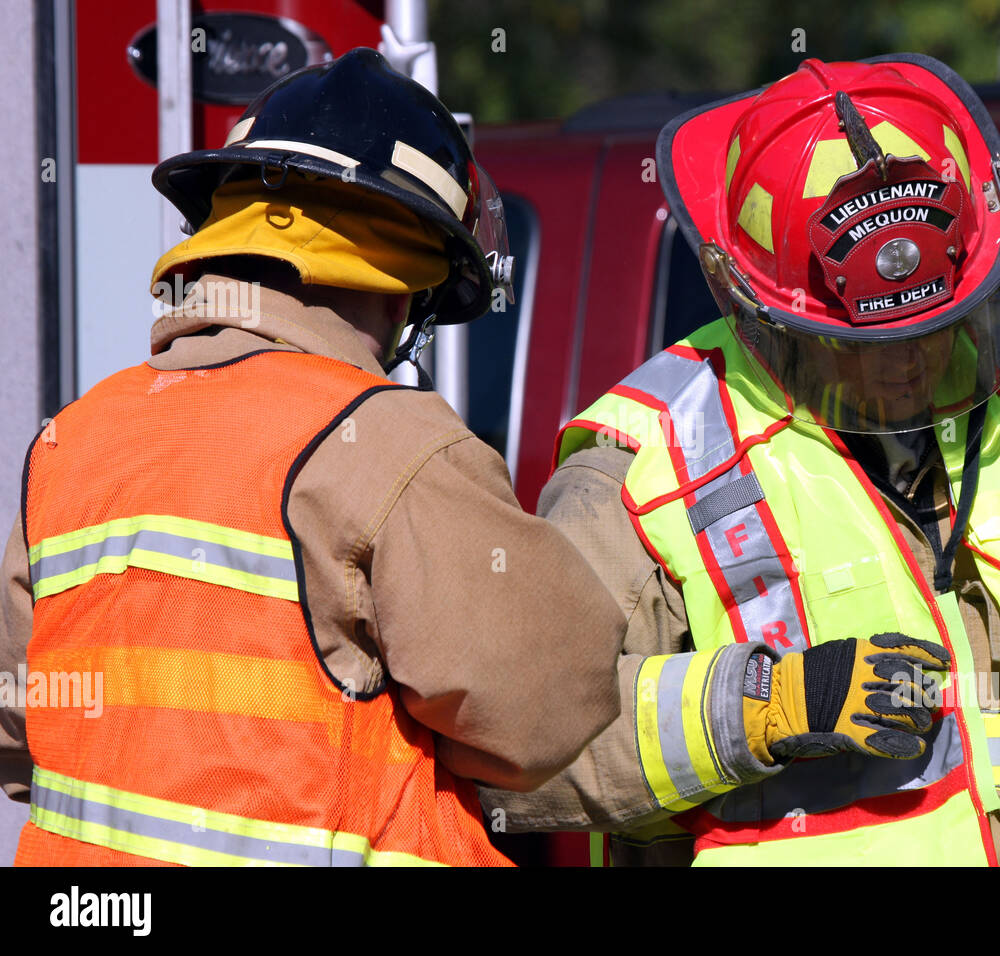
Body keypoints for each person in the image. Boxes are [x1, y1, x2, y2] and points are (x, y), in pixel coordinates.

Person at [479, 54, 1000, 865]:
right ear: (757, 311)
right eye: (858, 347)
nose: (909, 365)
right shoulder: (650, 466)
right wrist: (764, 706)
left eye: (944, 327)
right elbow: (515, 743)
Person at [0, 48, 624, 866]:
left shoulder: (72, 441)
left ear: (215, 246)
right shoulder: (391, 441)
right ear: (406, 286)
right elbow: (550, 705)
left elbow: (20, 722)